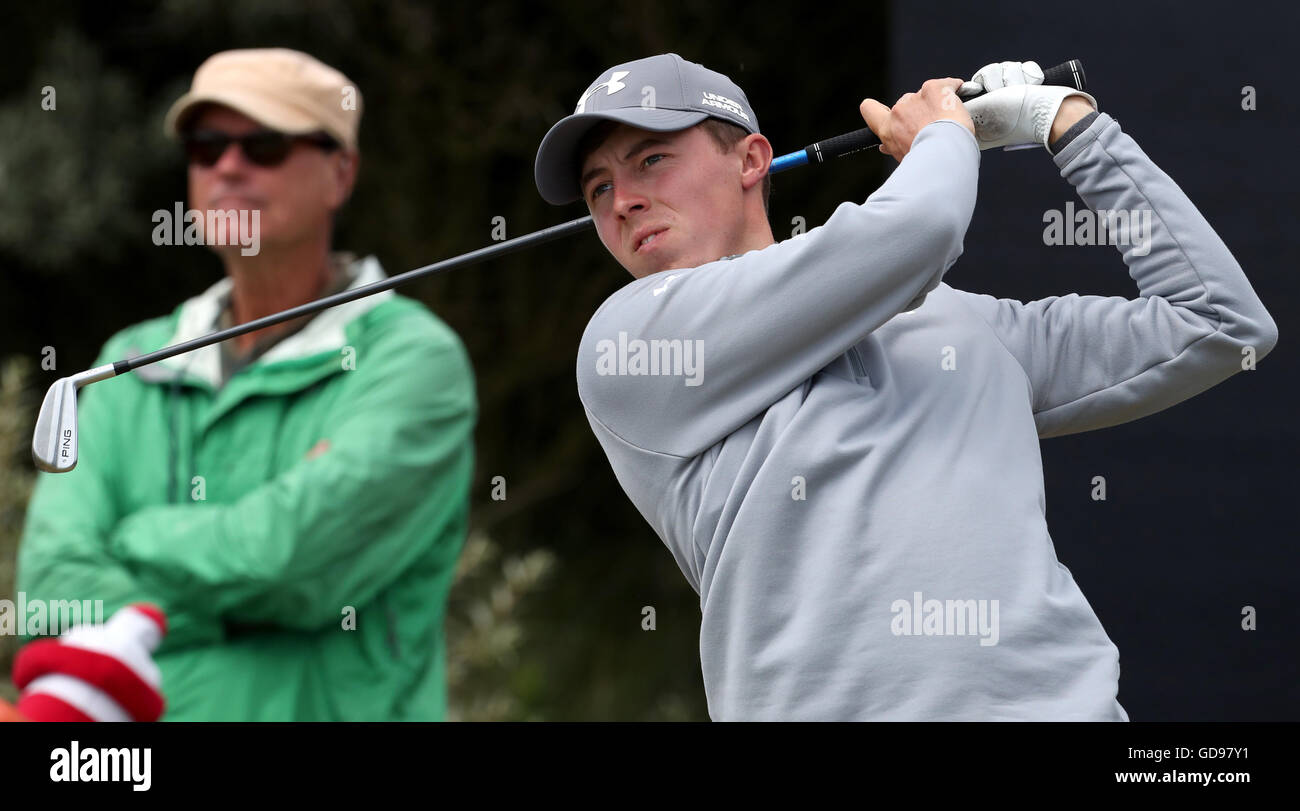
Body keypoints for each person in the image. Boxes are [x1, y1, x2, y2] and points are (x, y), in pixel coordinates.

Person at [533, 53, 1278, 720]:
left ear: (752, 159)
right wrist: (941, 136)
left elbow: (1220, 323)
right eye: (599, 186)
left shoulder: (965, 327)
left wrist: (1073, 129)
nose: (621, 199)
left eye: (651, 160)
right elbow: (918, 229)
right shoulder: (628, 346)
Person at [18, 48, 477, 720]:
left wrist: (136, 536)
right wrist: (244, 580)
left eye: (264, 145)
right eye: (206, 147)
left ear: (340, 173)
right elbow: (49, 592)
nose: (228, 166)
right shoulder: (132, 356)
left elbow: (288, 565)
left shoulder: (415, 361)